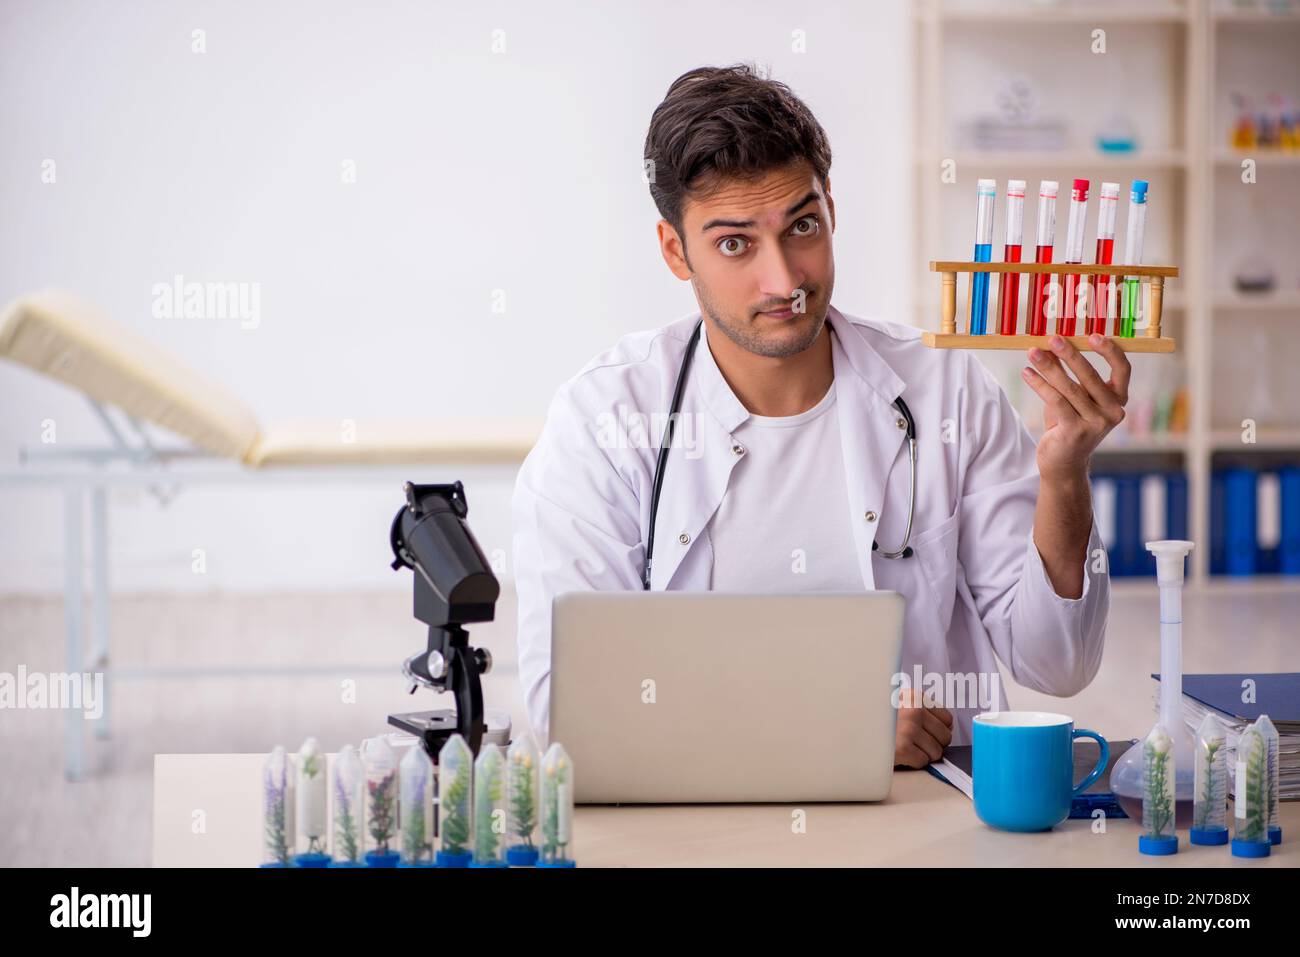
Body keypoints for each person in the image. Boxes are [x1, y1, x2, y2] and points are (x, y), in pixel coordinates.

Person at [513, 64, 1122, 766]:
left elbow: (1058, 663)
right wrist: (828, 724)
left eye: (801, 226)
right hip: (696, 826)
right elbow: (571, 707)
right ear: (676, 250)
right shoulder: (606, 420)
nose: (785, 280)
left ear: (830, 208)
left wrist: (1065, 479)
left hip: (927, 816)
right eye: (735, 242)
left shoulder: (945, 390)